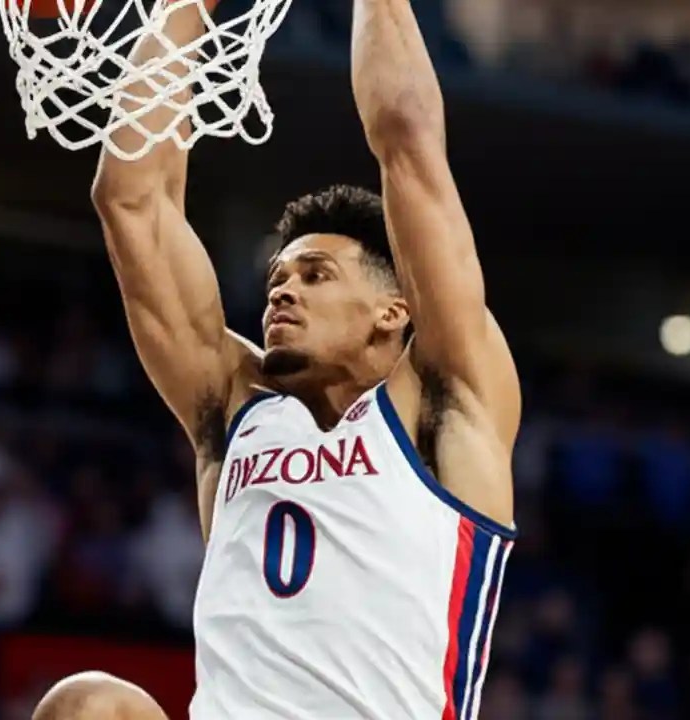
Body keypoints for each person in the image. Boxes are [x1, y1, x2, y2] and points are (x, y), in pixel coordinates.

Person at [35, 0, 521, 715]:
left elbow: (408, 141)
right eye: (277, 280)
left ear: (393, 312)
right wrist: (187, 8)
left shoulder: (444, 405)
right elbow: (132, 201)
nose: (283, 292)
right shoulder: (234, 406)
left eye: (316, 276)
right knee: (87, 706)